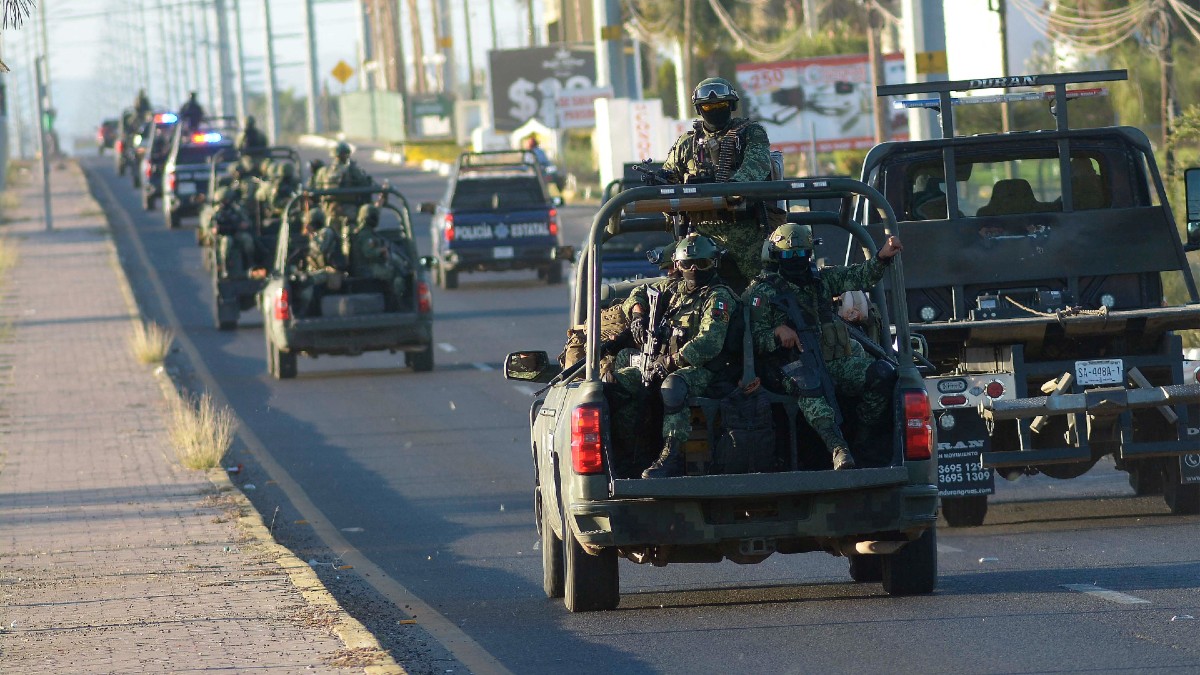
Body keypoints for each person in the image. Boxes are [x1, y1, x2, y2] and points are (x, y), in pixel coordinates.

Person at [743, 223, 903, 470]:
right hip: (788, 365)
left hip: (829, 359)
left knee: (881, 374)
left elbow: (859, 275)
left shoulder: (820, 280)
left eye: (801, 253)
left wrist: (882, 257)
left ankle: (863, 441)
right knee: (810, 384)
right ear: (776, 256)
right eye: (788, 254)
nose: (795, 259)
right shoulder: (761, 292)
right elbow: (748, 340)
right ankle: (839, 449)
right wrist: (776, 333)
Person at [609, 233, 741, 478]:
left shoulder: (718, 297)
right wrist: (637, 314)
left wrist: (671, 362)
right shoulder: (674, 290)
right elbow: (639, 292)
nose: (694, 270)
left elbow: (709, 343)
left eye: (701, 264)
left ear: (713, 264)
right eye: (688, 264)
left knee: (673, 386)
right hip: (662, 361)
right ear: (678, 265)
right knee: (615, 382)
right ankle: (628, 453)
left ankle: (671, 456)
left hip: (704, 369)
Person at [659, 77, 774, 292]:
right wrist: (661, 181)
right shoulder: (687, 143)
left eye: (720, 105)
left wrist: (733, 187)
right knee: (688, 289)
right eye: (708, 107)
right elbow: (669, 176)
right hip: (701, 234)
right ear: (699, 109)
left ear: (731, 105)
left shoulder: (750, 133)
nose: (714, 110)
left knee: (763, 289)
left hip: (746, 231)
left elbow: (757, 163)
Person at [348, 203, 411, 302]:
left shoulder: (365, 232)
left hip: (366, 267)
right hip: (367, 268)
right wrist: (381, 251)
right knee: (395, 273)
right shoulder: (366, 235)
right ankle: (398, 301)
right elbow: (368, 252)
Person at [290, 208, 346, 317]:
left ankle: (307, 311)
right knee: (301, 279)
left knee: (307, 281)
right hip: (324, 271)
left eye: (308, 223)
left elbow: (320, 248)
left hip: (332, 272)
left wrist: (309, 239)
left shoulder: (326, 232)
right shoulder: (316, 235)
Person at [211, 187, 257, 280]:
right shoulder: (217, 212)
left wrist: (244, 224)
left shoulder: (236, 209)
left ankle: (250, 264)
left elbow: (246, 222)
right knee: (227, 242)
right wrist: (214, 229)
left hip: (236, 232)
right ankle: (225, 268)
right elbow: (212, 227)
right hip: (223, 235)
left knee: (247, 239)